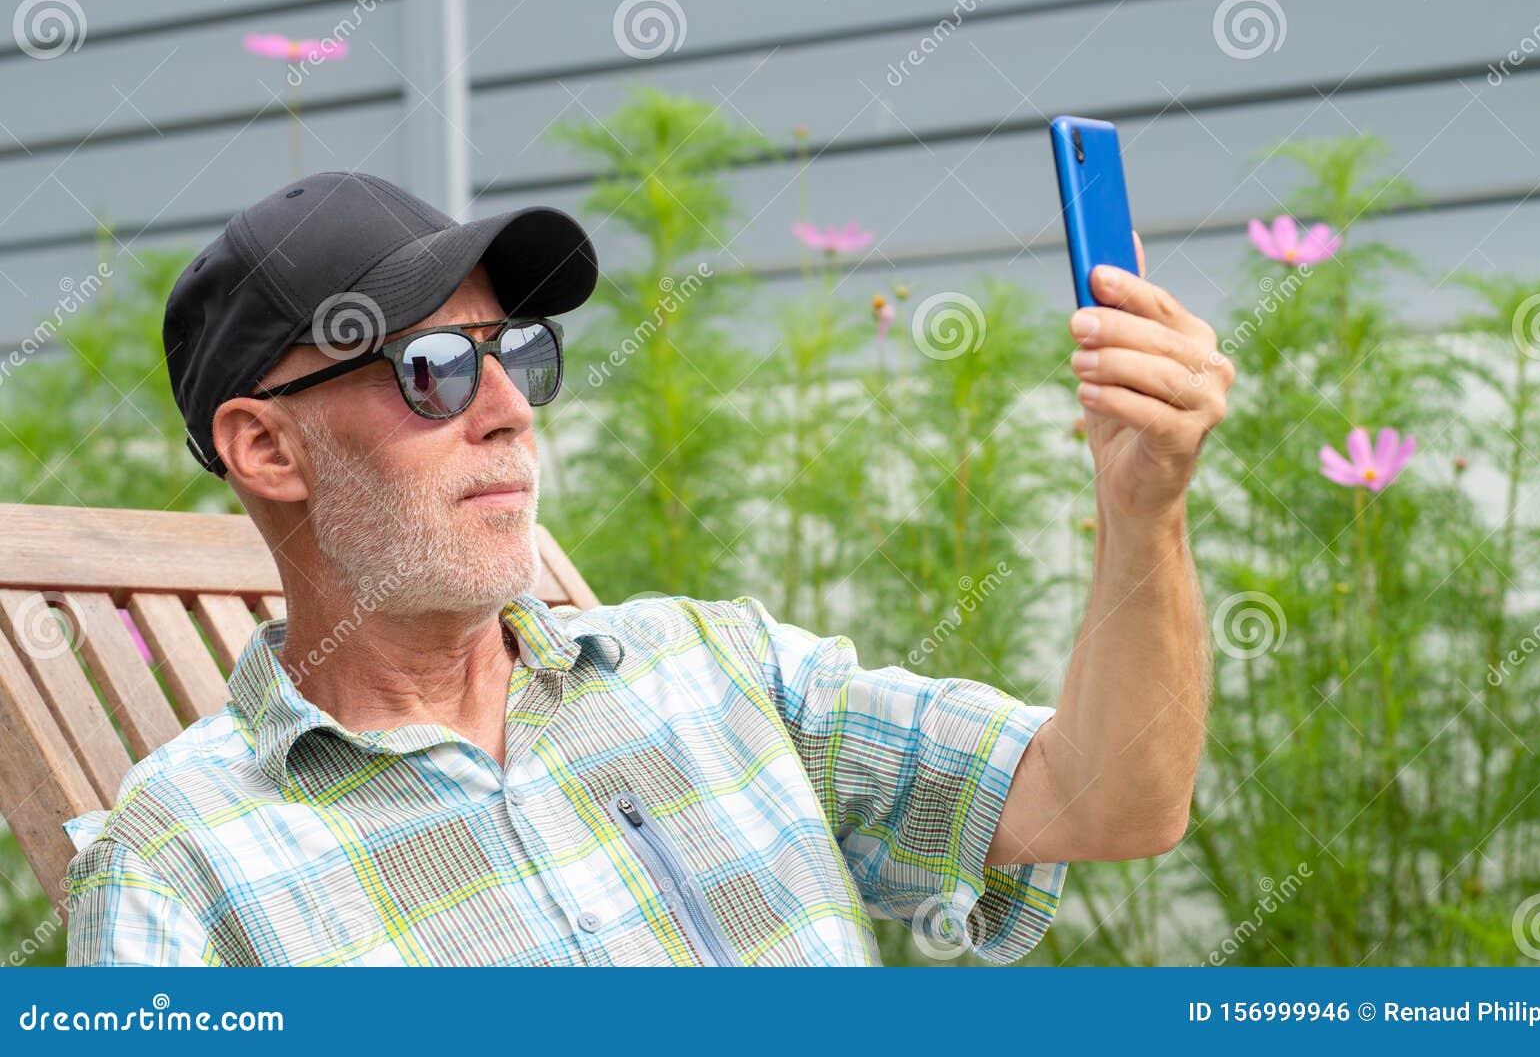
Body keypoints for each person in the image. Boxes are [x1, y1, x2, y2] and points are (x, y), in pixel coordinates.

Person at [63, 171, 1232, 966]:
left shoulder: (721, 669)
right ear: (267, 447)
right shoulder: (182, 869)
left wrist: (1143, 510)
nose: (513, 409)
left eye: (517, 354)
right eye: (433, 369)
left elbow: (1112, 798)